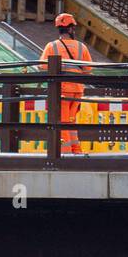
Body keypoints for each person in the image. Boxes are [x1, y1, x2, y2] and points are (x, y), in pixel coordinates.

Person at [40, 12, 93, 154]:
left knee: (62, 122)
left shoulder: (52, 46)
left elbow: (42, 66)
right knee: (71, 121)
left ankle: (66, 153)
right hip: (77, 91)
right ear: (71, 29)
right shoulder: (82, 47)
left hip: (61, 90)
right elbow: (88, 70)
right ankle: (76, 150)